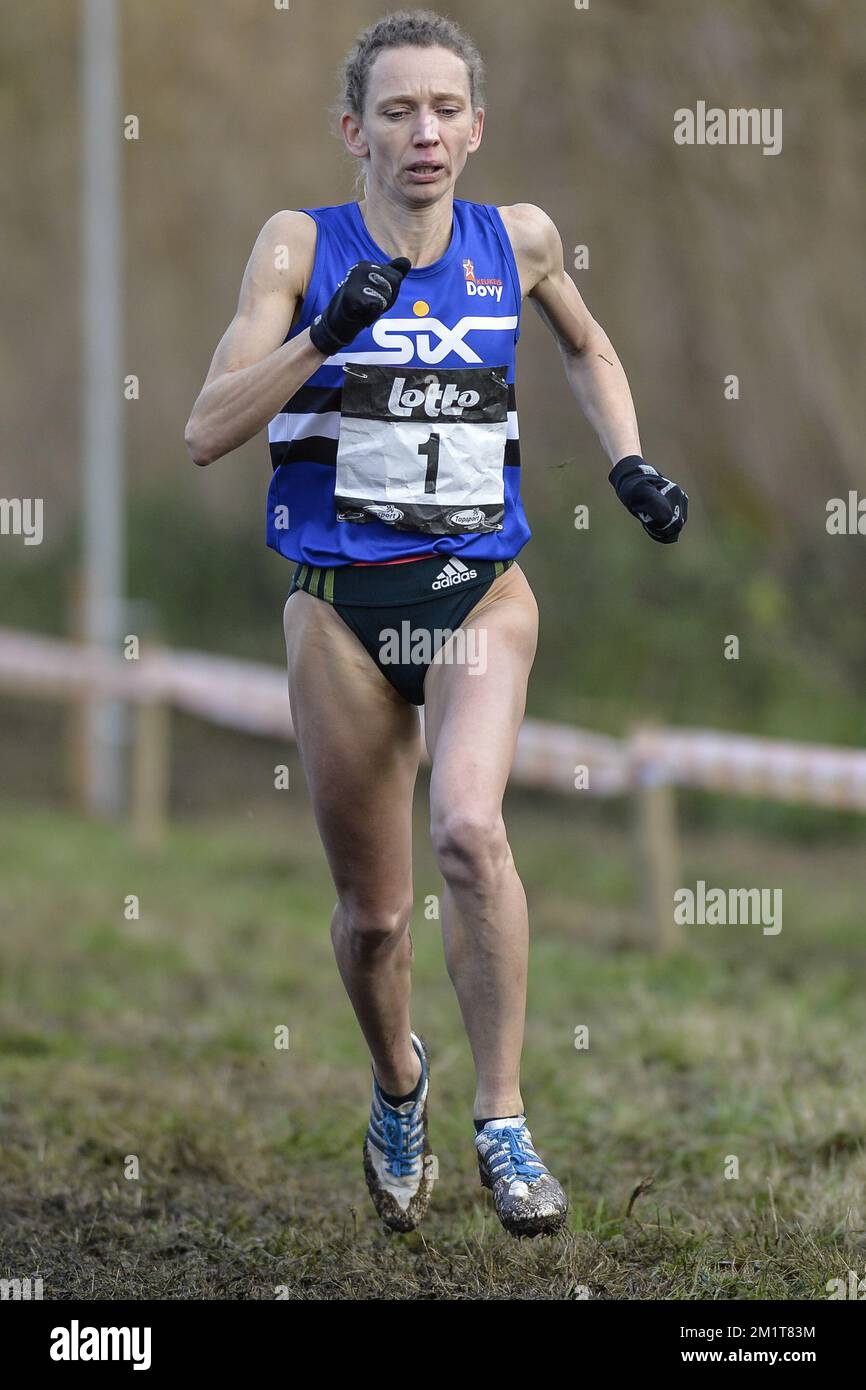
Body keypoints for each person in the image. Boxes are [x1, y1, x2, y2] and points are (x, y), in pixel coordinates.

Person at [184, 8, 687, 1239]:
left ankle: (503, 1119)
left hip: (474, 593)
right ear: (353, 129)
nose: (424, 131)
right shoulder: (298, 248)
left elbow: (590, 346)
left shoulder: (515, 240)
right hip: (342, 612)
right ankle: (399, 1083)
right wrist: (325, 333)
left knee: (469, 829)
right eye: (397, 110)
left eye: (446, 109)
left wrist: (627, 462)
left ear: (477, 128)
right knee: (371, 916)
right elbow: (203, 427)